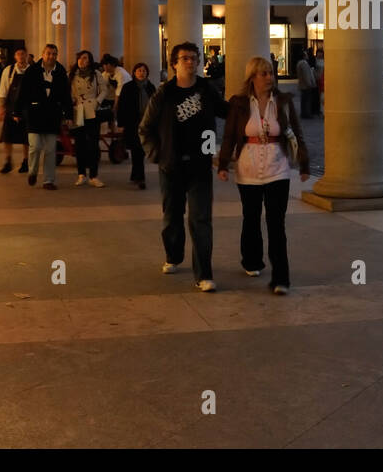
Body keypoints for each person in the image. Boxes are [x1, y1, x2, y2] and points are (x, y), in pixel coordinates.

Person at [140, 41, 230, 292]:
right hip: (171, 166)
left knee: (201, 219)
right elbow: (145, 128)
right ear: (174, 64)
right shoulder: (164, 94)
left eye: (194, 58)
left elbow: (226, 111)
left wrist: (250, 105)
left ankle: (204, 274)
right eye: (185, 59)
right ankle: (173, 255)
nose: (191, 63)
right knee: (172, 217)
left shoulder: (206, 89)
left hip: (200, 165)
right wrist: (158, 154)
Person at [217, 56, 310, 296]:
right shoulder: (238, 104)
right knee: (251, 217)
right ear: (252, 77)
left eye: (271, 72)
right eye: (264, 73)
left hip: (277, 168)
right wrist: (223, 164)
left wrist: (304, 163)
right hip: (248, 169)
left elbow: (296, 133)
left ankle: (281, 278)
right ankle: (252, 260)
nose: (269, 77)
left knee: (276, 223)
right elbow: (228, 136)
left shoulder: (283, 101)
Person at [14, 43, 73, 190]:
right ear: (43, 54)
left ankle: (49, 180)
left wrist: (69, 114)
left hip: (52, 115)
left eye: (54, 54)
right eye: (48, 53)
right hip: (34, 113)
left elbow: (66, 95)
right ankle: (33, 171)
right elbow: (22, 92)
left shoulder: (60, 72)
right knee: (34, 146)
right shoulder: (32, 70)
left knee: (51, 149)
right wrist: (17, 111)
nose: (51, 56)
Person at [70, 50, 111, 187]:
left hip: (92, 109)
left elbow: (104, 90)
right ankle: (81, 174)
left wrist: (97, 102)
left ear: (90, 60)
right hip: (78, 110)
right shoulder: (72, 75)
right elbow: (68, 92)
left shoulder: (96, 74)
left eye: (85, 58)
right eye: (80, 58)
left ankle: (94, 175)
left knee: (93, 144)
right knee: (79, 143)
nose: (82, 60)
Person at [117, 62, 157, 189]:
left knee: (140, 151)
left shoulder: (151, 87)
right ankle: (141, 178)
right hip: (132, 123)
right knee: (137, 150)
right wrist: (121, 123)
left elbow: (156, 106)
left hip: (147, 123)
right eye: (139, 70)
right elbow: (121, 106)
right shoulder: (128, 87)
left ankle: (135, 175)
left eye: (144, 71)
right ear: (134, 73)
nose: (141, 73)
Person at [0, 47, 32, 173]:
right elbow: (4, 89)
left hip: (27, 107)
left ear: (27, 55)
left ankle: (26, 161)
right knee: (7, 136)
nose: (21, 56)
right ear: (15, 56)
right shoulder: (9, 70)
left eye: (23, 54)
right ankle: (8, 161)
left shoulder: (32, 70)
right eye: (18, 54)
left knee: (27, 137)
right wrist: (2, 107)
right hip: (11, 107)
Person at [99, 54, 125, 128]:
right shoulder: (105, 74)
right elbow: (101, 87)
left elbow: (119, 92)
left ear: (112, 64)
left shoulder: (121, 73)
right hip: (110, 98)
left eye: (107, 65)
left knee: (117, 114)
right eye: (104, 65)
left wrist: (115, 106)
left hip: (123, 97)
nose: (105, 67)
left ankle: (117, 129)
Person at [296, 49, 318, 118]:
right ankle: (306, 114)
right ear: (304, 56)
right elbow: (306, 75)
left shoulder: (300, 63)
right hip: (306, 85)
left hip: (303, 85)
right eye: (306, 54)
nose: (307, 55)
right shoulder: (304, 63)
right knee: (307, 100)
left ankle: (304, 113)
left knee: (304, 100)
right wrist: (310, 84)